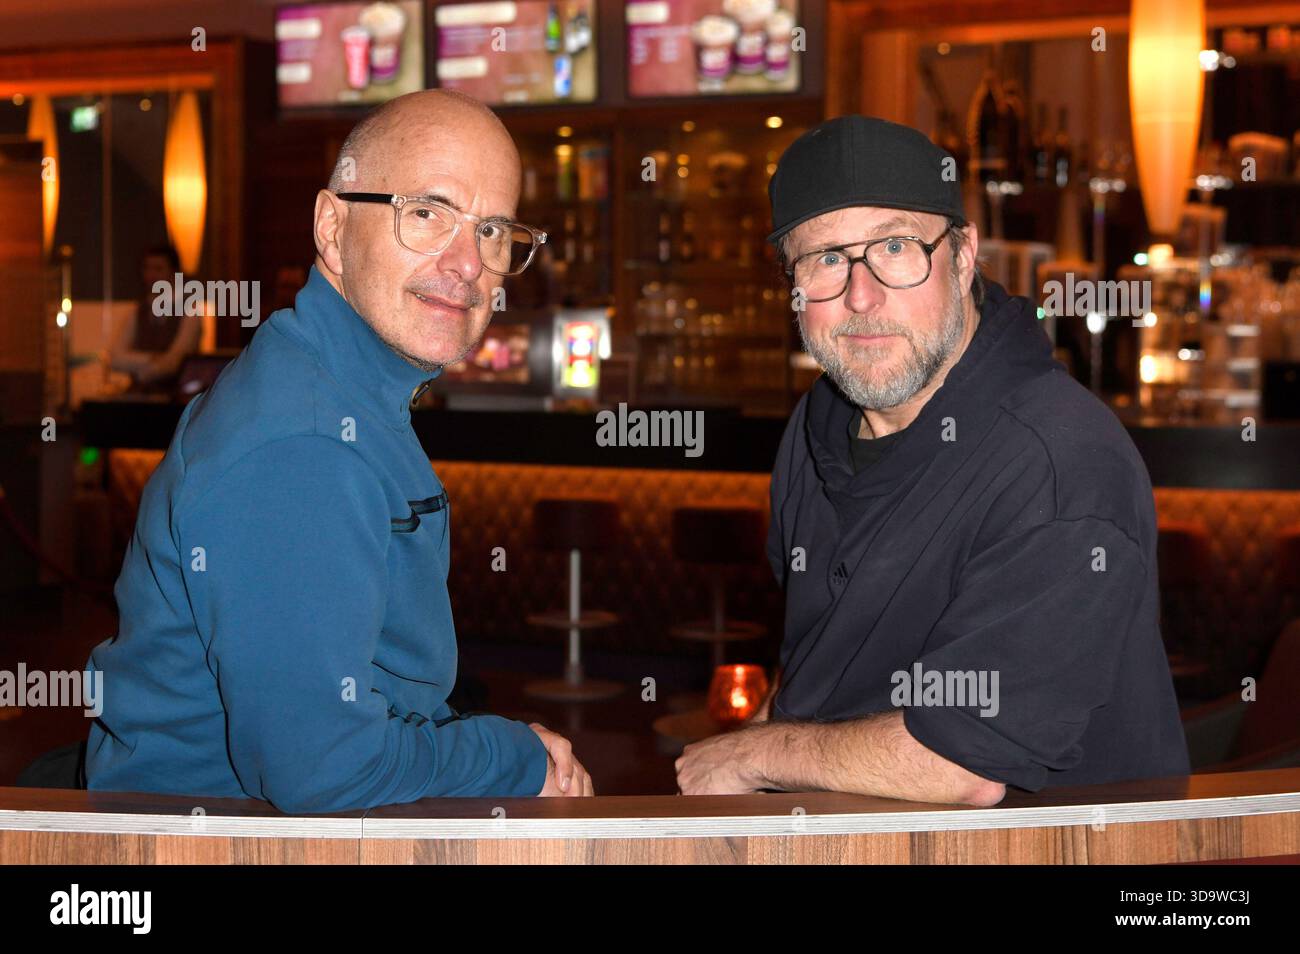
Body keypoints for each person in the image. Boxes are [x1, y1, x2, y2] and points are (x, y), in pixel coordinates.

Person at [85, 90, 592, 812]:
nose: (468, 264)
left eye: (492, 231)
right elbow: (324, 769)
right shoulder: (306, 444)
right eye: (426, 213)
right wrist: (513, 758)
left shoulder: (341, 385)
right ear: (331, 226)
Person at [675, 116, 1189, 803]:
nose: (862, 297)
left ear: (963, 254)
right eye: (825, 259)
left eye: (895, 246)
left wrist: (752, 756)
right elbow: (820, 659)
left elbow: (965, 765)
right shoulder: (816, 423)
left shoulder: (1059, 461)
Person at [107, 244, 203, 394]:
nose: (151, 275)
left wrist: (140, 369)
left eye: (158, 269)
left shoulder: (190, 312)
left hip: (177, 401)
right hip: (143, 399)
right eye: (147, 268)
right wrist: (153, 358)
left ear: (174, 273)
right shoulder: (137, 311)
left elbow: (176, 362)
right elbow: (115, 359)